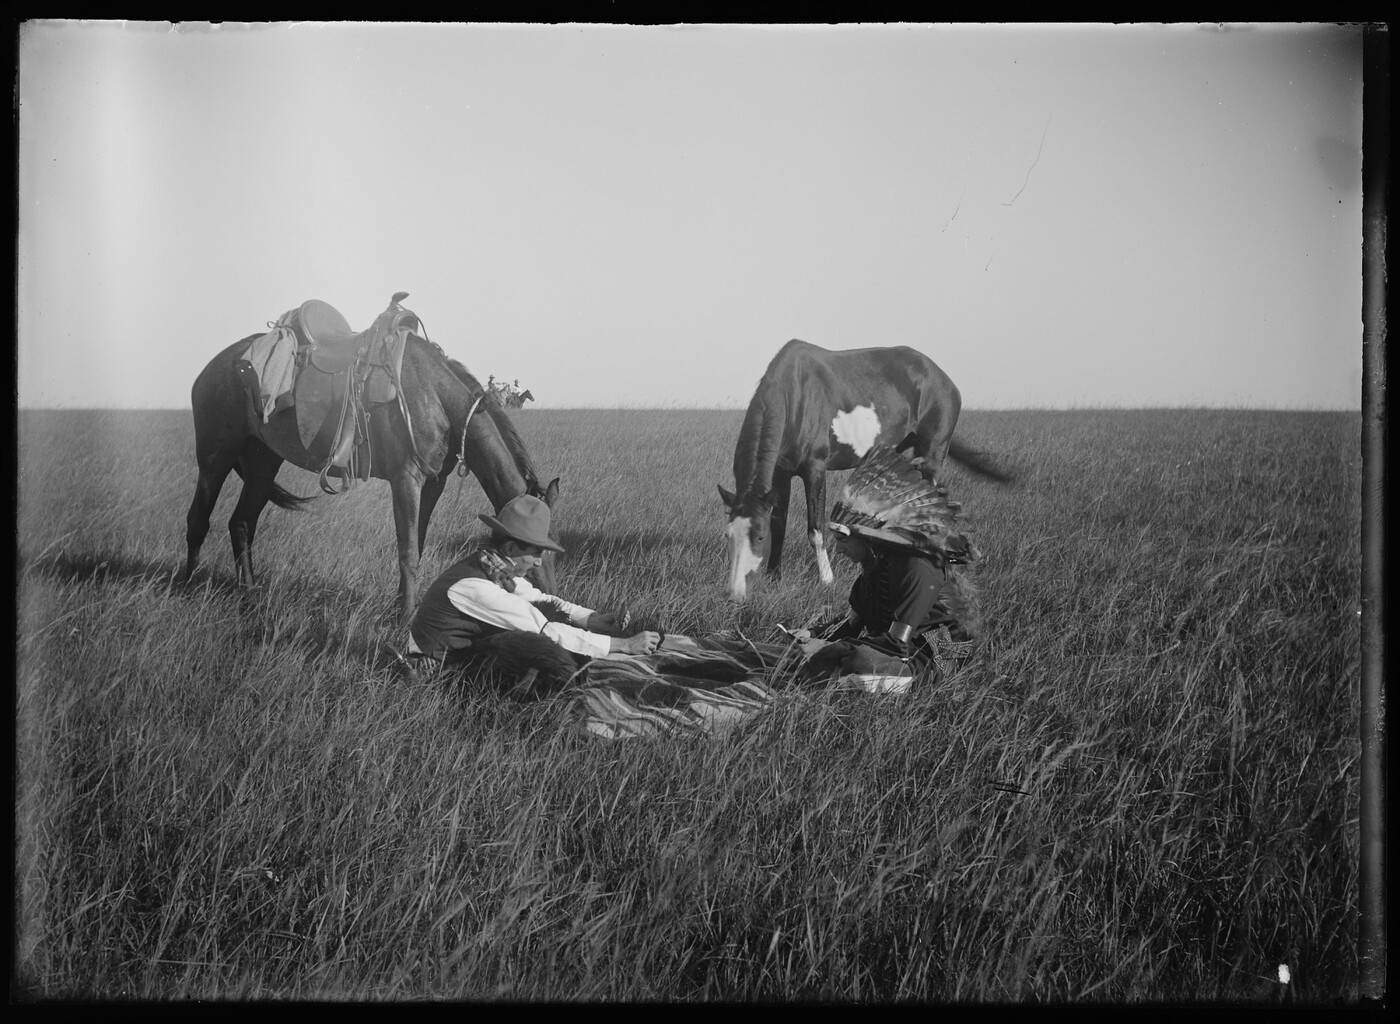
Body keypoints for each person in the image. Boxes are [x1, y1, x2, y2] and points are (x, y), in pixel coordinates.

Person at [404, 494, 660, 697]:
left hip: (463, 650)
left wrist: (592, 619)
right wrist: (625, 645)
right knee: (539, 655)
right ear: (511, 547)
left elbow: (540, 599)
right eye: (536, 553)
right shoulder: (475, 587)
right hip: (443, 666)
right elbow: (546, 629)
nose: (539, 563)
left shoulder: (492, 566)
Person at [795, 446, 983, 691]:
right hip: (896, 651)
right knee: (830, 656)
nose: (838, 551)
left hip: (936, 658)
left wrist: (825, 648)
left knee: (859, 661)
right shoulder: (874, 566)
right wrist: (812, 634)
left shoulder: (916, 567)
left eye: (842, 541)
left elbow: (896, 644)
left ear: (868, 538)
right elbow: (850, 625)